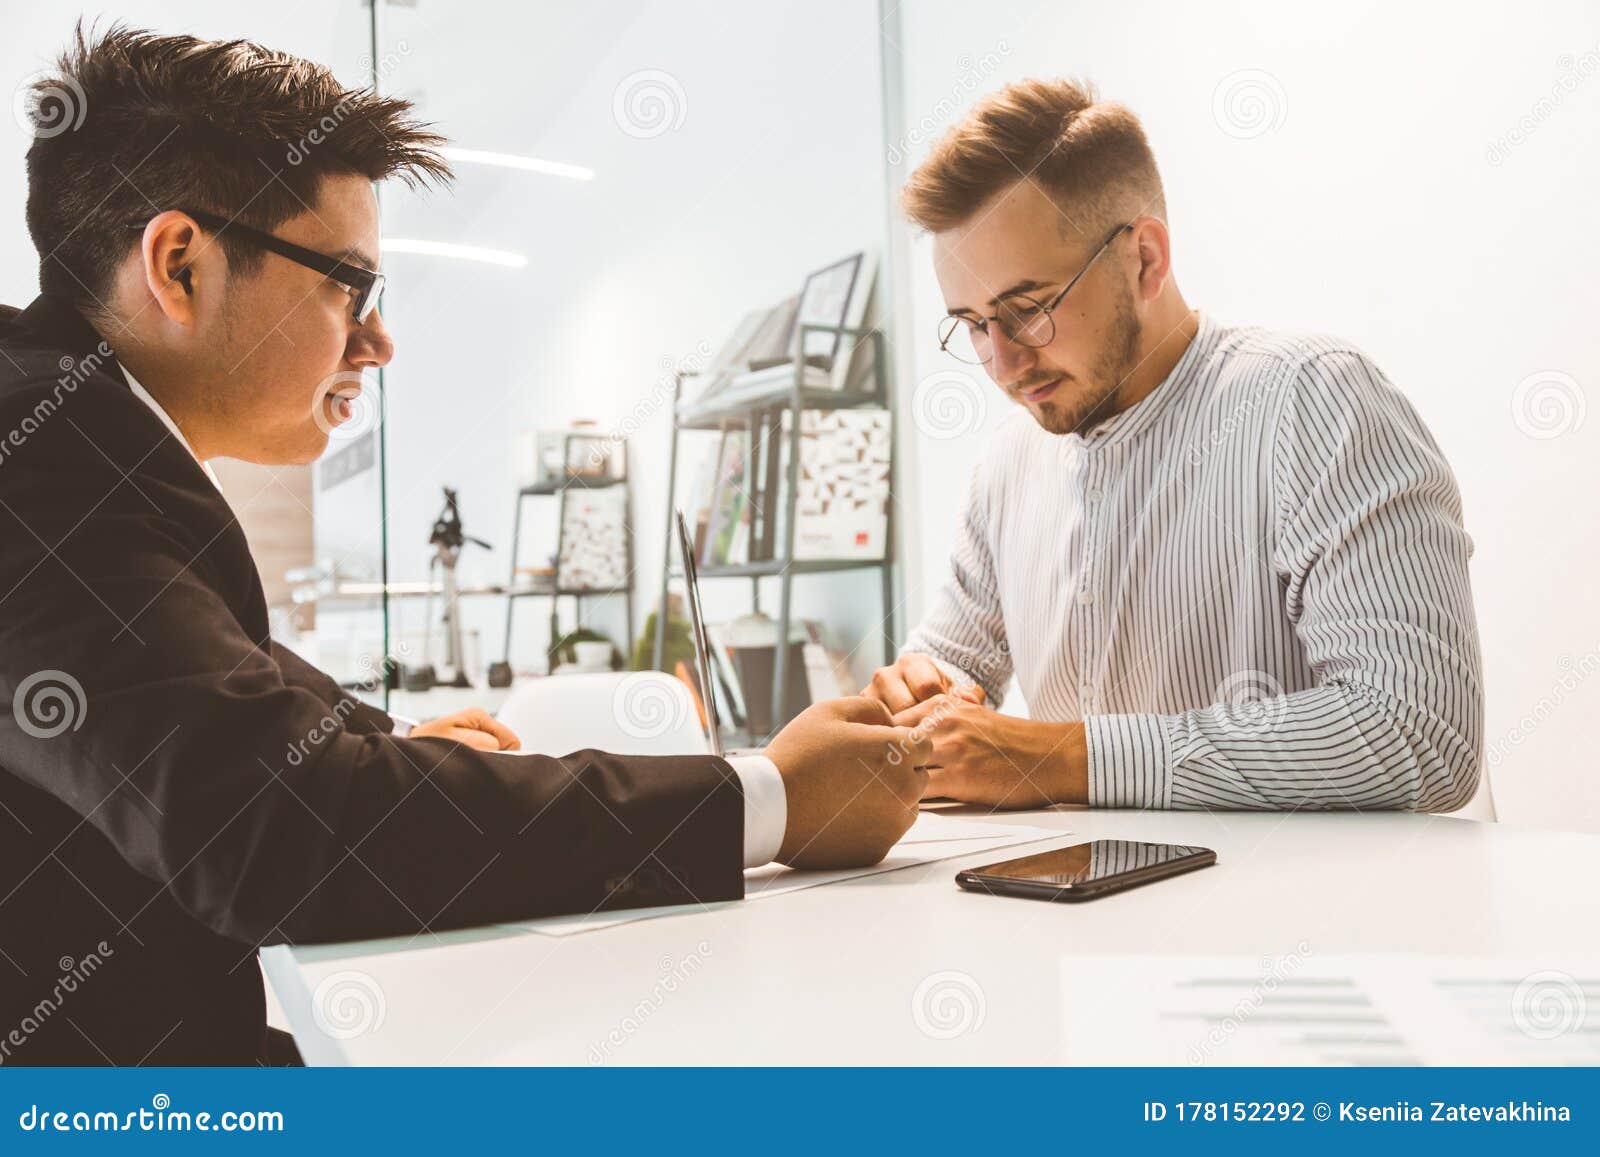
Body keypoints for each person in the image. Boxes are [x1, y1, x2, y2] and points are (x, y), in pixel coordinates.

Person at [0, 25, 928, 1066]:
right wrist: (771, 798)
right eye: (348, 283)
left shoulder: (76, 431)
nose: (377, 338)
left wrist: (389, 744)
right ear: (180, 264)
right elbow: (267, 829)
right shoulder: (40, 454)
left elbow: (223, 688)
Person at [865, 78, 1481, 815]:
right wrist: (925, 683)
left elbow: (1421, 732)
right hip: (1072, 919)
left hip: (1304, 921)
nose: (1001, 363)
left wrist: (1065, 757)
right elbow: (956, 659)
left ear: (1146, 259)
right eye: (971, 323)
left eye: (1027, 311)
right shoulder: (1008, 463)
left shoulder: (1318, 404)